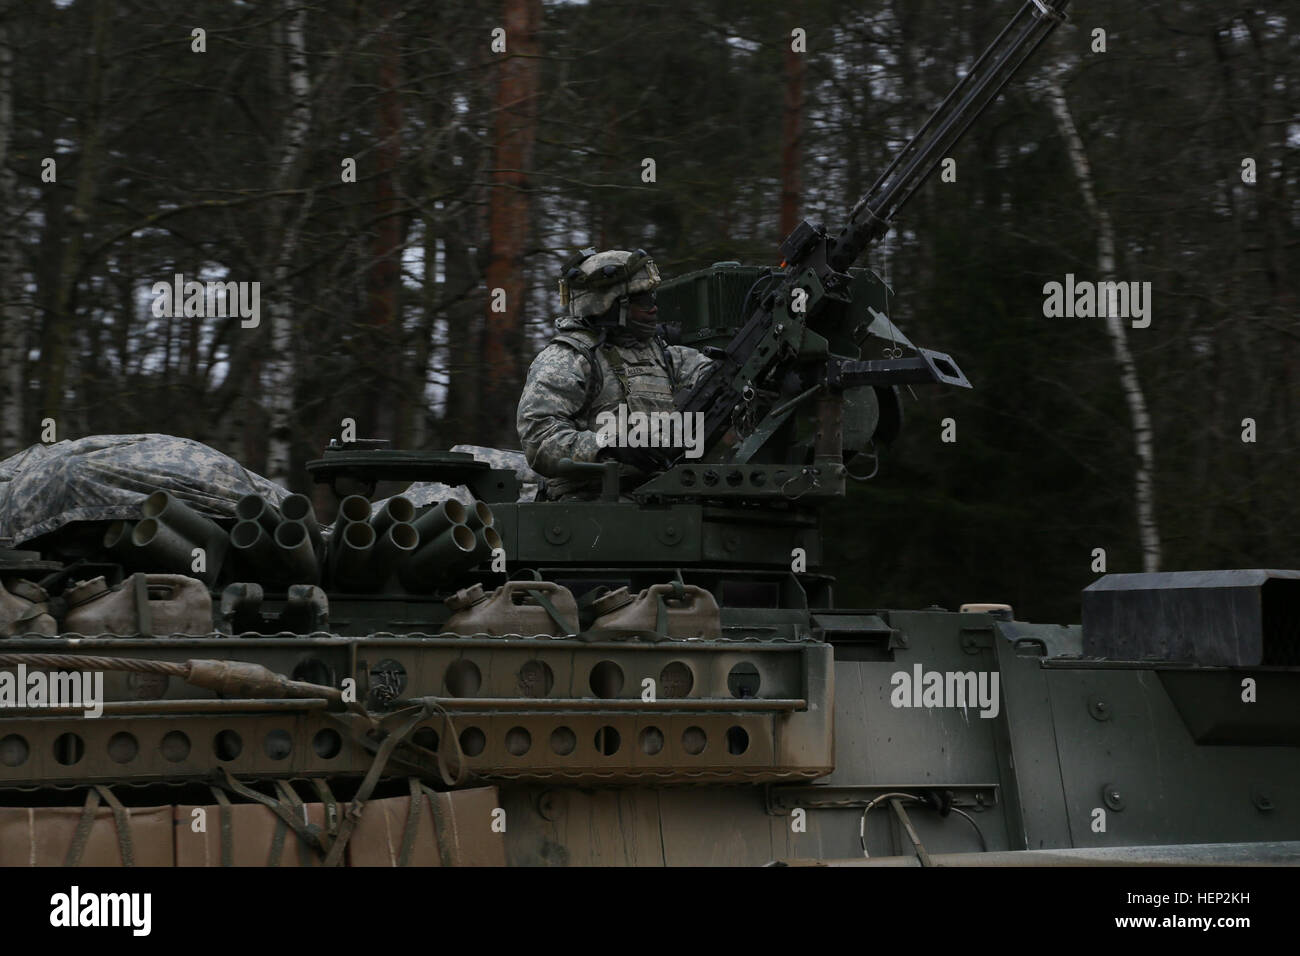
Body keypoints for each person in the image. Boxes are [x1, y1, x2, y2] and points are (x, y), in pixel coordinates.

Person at [516, 248, 712, 500]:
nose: (653, 308)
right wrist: (608, 445)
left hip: (664, 498)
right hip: (592, 506)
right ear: (609, 306)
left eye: (652, 297)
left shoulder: (664, 355)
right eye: (641, 300)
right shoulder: (567, 359)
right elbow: (539, 439)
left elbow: (720, 379)